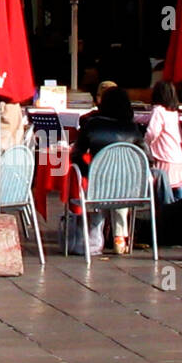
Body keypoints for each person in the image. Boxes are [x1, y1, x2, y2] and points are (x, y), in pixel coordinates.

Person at [70, 86, 146, 255]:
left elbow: (76, 154)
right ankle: (120, 236)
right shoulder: (132, 129)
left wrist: (89, 171)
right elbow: (147, 158)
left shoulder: (92, 125)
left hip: (99, 184)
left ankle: (95, 232)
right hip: (129, 189)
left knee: (104, 186)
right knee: (121, 183)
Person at [146, 80, 182, 201]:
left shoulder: (158, 110)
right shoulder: (173, 112)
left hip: (162, 154)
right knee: (178, 186)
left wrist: (145, 143)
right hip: (175, 154)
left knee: (165, 187)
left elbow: (152, 131)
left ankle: (167, 210)